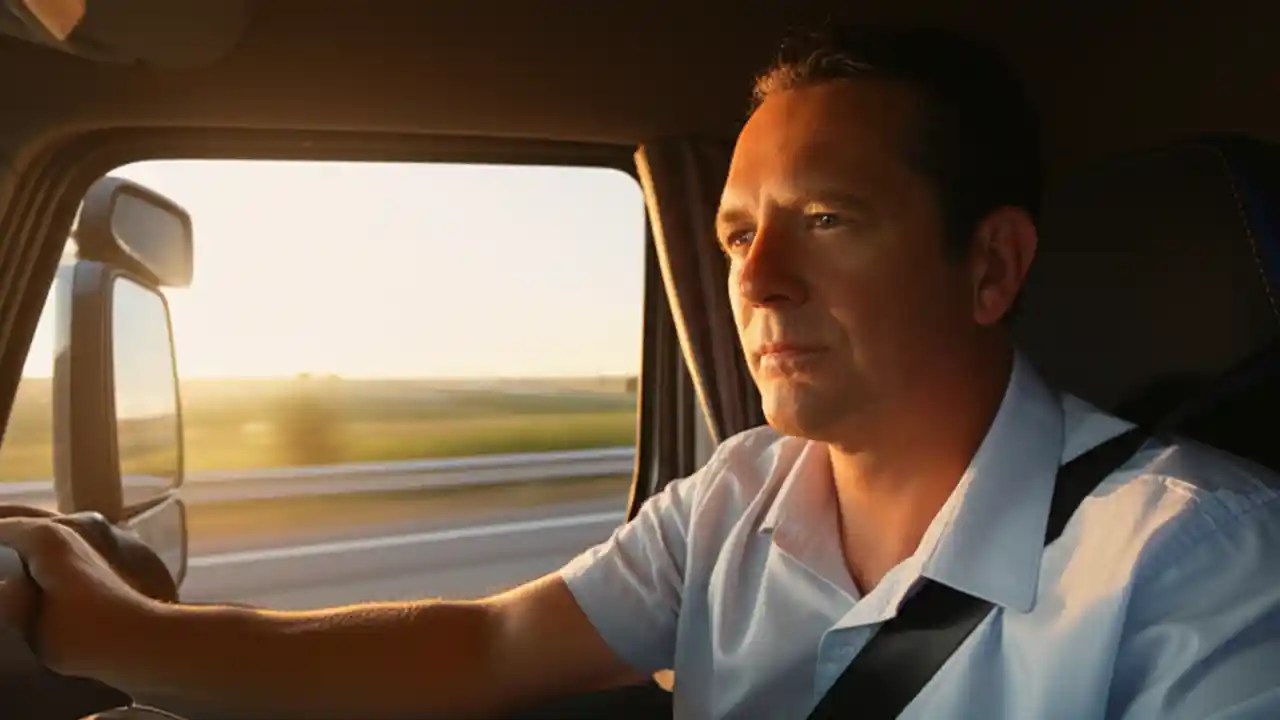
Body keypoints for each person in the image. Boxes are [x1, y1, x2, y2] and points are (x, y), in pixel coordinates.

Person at [2, 26, 1279, 720]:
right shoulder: (737, 497)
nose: (757, 281)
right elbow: (485, 644)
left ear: (989, 268)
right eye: (734, 233)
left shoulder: (1197, 568)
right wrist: (125, 633)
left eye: (827, 220)